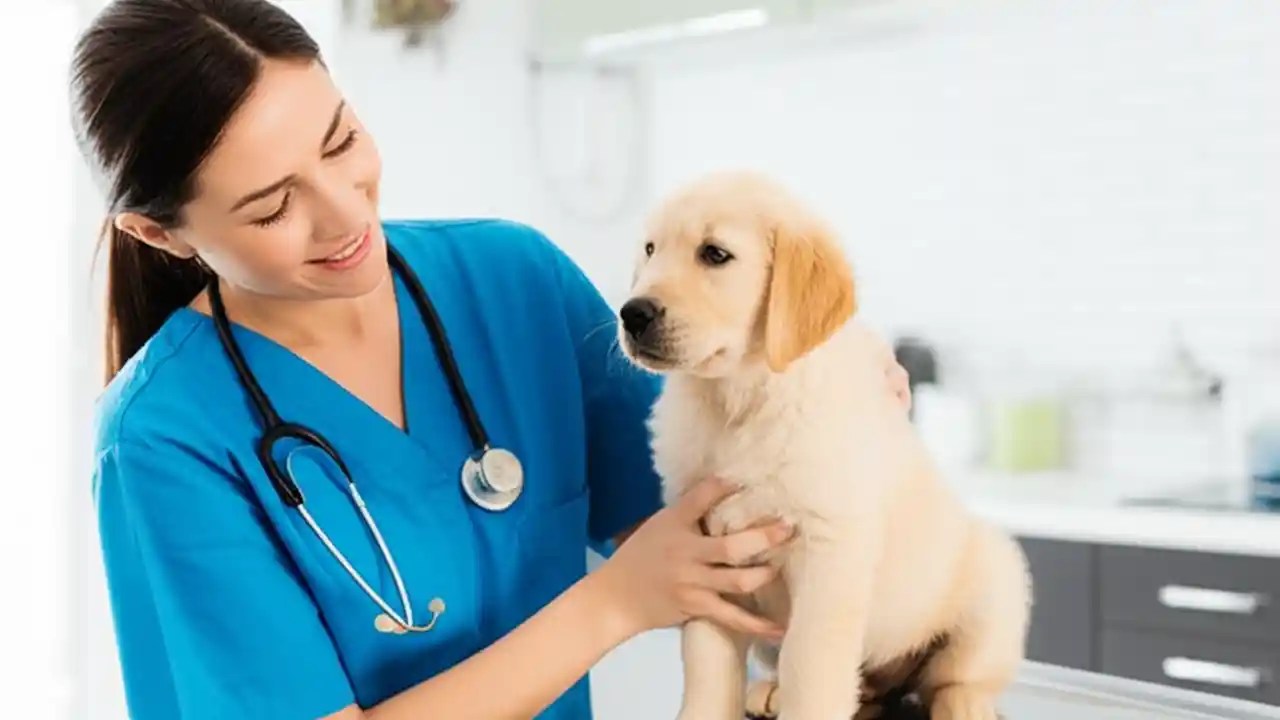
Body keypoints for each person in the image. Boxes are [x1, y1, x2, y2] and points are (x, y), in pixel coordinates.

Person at [75, 2, 910, 719]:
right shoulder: (165, 439)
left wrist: (819, 408)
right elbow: (647, 578)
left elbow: (728, 540)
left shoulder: (515, 283)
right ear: (159, 231)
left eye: (340, 143)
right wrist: (614, 604)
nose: (343, 215)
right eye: (273, 207)